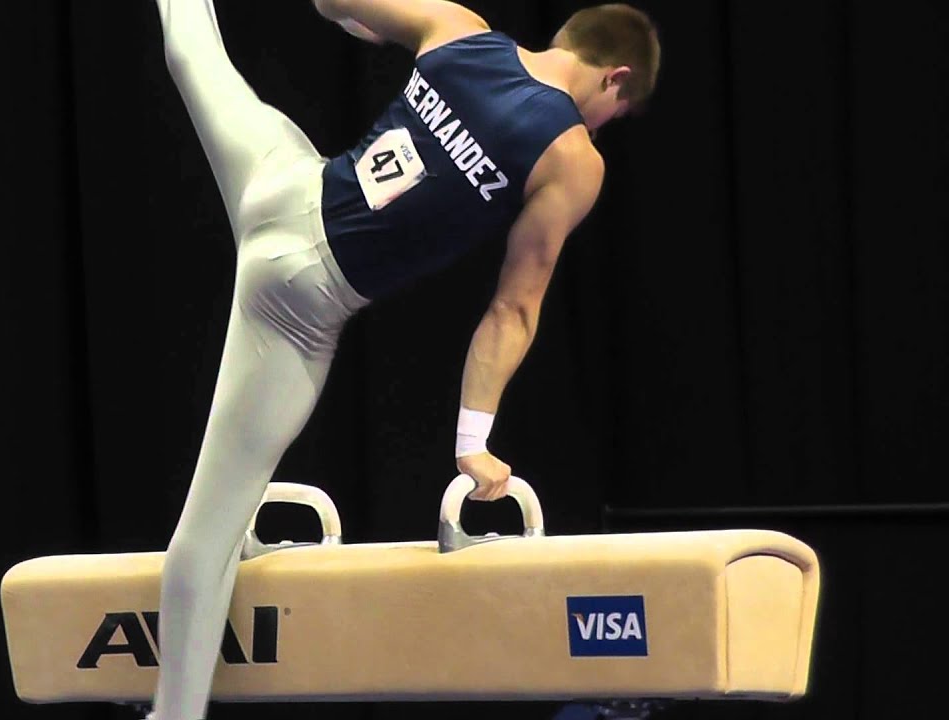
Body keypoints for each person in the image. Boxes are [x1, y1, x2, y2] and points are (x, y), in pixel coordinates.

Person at [143, 1, 661, 718]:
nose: (603, 129)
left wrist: (362, 26)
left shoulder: (458, 28)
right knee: (205, 538)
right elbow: (513, 309)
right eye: (616, 116)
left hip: (282, 186)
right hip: (296, 306)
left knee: (194, 57)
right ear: (617, 78)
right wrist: (472, 443)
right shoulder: (573, 159)